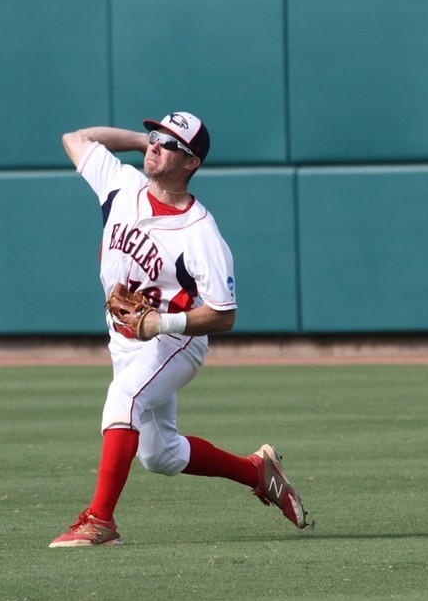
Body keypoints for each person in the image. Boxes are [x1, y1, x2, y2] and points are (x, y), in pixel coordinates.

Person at [49, 111, 309, 548]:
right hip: (125, 339)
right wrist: (141, 141)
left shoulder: (200, 233)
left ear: (191, 163)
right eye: (155, 136)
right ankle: (257, 472)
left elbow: (224, 314)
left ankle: (99, 521)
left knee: (124, 399)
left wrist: (161, 322)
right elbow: (75, 137)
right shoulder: (121, 183)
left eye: (170, 144)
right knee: (160, 455)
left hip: (175, 341)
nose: (155, 146)